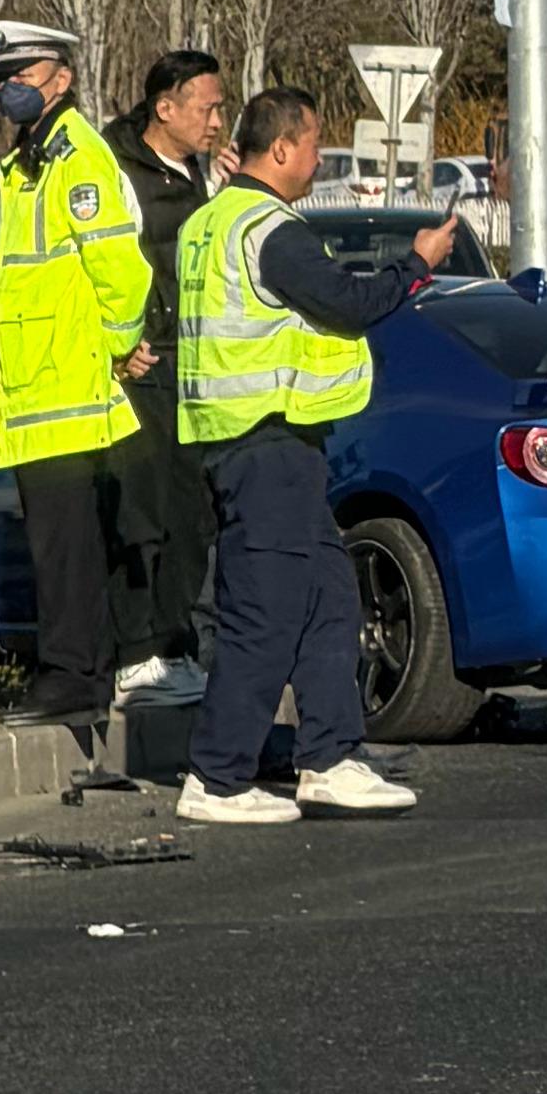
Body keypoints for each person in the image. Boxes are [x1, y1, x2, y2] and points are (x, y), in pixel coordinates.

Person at [175, 87, 454, 827]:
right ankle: (218, 774)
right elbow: (349, 303)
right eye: (314, 145)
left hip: (266, 442)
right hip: (262, 439)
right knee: (264, 612)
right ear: (281, 150)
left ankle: (330, 758)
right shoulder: (271, 230)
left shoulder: (212, 222)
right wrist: (415, 264)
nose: (320, 159)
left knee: (330, 597)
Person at [0, 12, 155, 757]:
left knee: (65, 545)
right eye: (1, 79)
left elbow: (120, 267)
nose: (10, 88)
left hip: (67, 384)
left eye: (22, 74)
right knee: (61, 543)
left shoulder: (76, 158)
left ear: (62, 78)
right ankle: (75, 666)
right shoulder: (30, 162)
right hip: (37, 384)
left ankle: (72, 673)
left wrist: (119, 347)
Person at [101, 44, 231, 706]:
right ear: (165, 108)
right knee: (140, 513)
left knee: (193, 515)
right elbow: (110, 263)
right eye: (206, 108)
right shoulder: (117, 169)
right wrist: (121, 342)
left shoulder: (204, 173)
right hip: (141, 368)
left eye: (220, 108)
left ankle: (173, 647)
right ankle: (134, 654)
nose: (216, 121)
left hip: (196, 367)